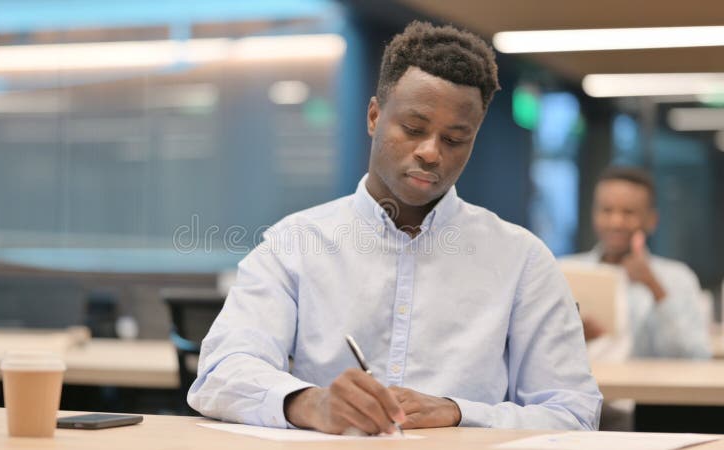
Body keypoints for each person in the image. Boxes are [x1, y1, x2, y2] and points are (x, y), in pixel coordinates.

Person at [188, 21, 602, 433]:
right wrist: (309, 403)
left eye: (455, 139)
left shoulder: (522, 260)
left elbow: (574, 413)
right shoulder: (294, 244)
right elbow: (220, 373)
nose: (430, 153)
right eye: (414, 129)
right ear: (373, 116)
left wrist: (459, 412)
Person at [565, 167, 710, 359]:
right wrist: (571, 339)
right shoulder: (566, 272)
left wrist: (654, 287)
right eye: (606, 210)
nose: (616, 222)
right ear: (594, 214)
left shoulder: (677, 277)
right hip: (583, 387)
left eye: (629, 212)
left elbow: (694, 357)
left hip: (645, 388)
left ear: (651, 220)